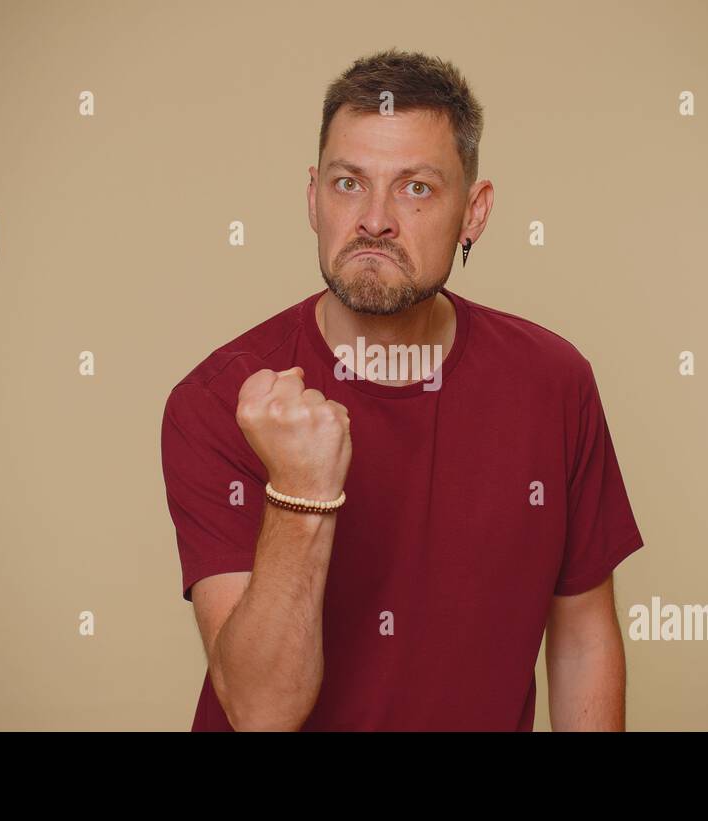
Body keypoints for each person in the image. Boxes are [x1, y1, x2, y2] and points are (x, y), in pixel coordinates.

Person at [160, 48, 644, 731]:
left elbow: (584, 638)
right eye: (348, 183)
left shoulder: (556, 382)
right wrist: (301, 492)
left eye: (416, 187)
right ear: (311, 197)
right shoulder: (222, 401)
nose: (375, 219)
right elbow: (262, 711)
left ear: (474, 212)